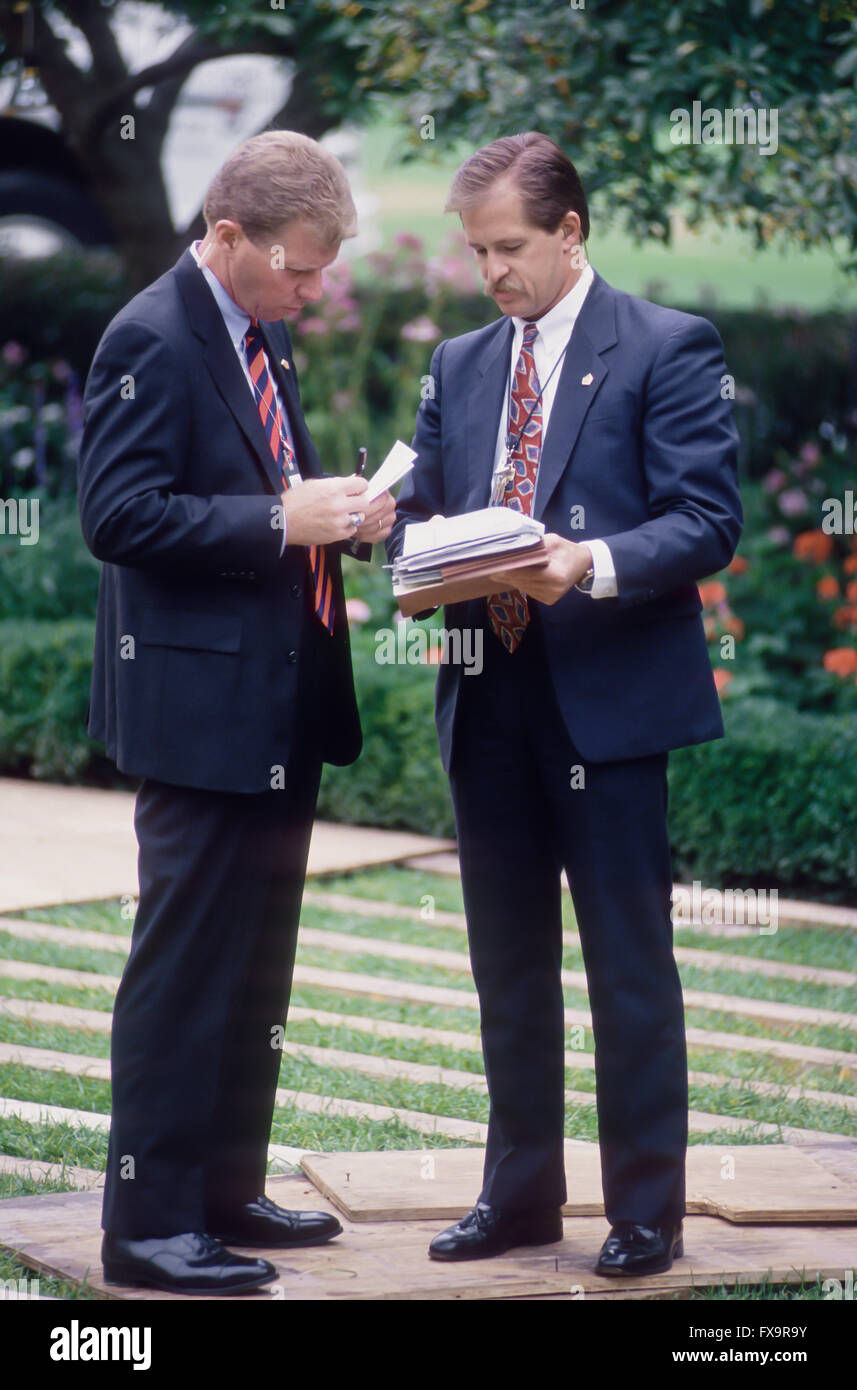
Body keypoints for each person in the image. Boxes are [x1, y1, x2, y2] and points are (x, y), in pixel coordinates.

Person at [387, 132, 741, 1275]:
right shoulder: (458, 361)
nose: (492, 272)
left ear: (569, 231)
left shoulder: (666, 346)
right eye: (476, 251)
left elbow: (705, 519)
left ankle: (645, 1213)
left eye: (510, 248)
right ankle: (520, 1197)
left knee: (627, 965)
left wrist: (583, 562)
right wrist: (390, 539)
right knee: (506, 962)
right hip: (484, 695)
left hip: (607, 699)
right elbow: (428, 510)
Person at [78, 130, 395, 1296]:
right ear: (225, 238)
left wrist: (336, 515)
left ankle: (224, 1189)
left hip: (279, 702)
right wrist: (278, 520)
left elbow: (265, 485)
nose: (311, 293)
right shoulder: (147, 337)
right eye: (299, 270)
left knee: (255, 966)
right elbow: (116, 516)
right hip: (199, 709)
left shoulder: (249, 325)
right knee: (183, 969)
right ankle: (148, 1225)